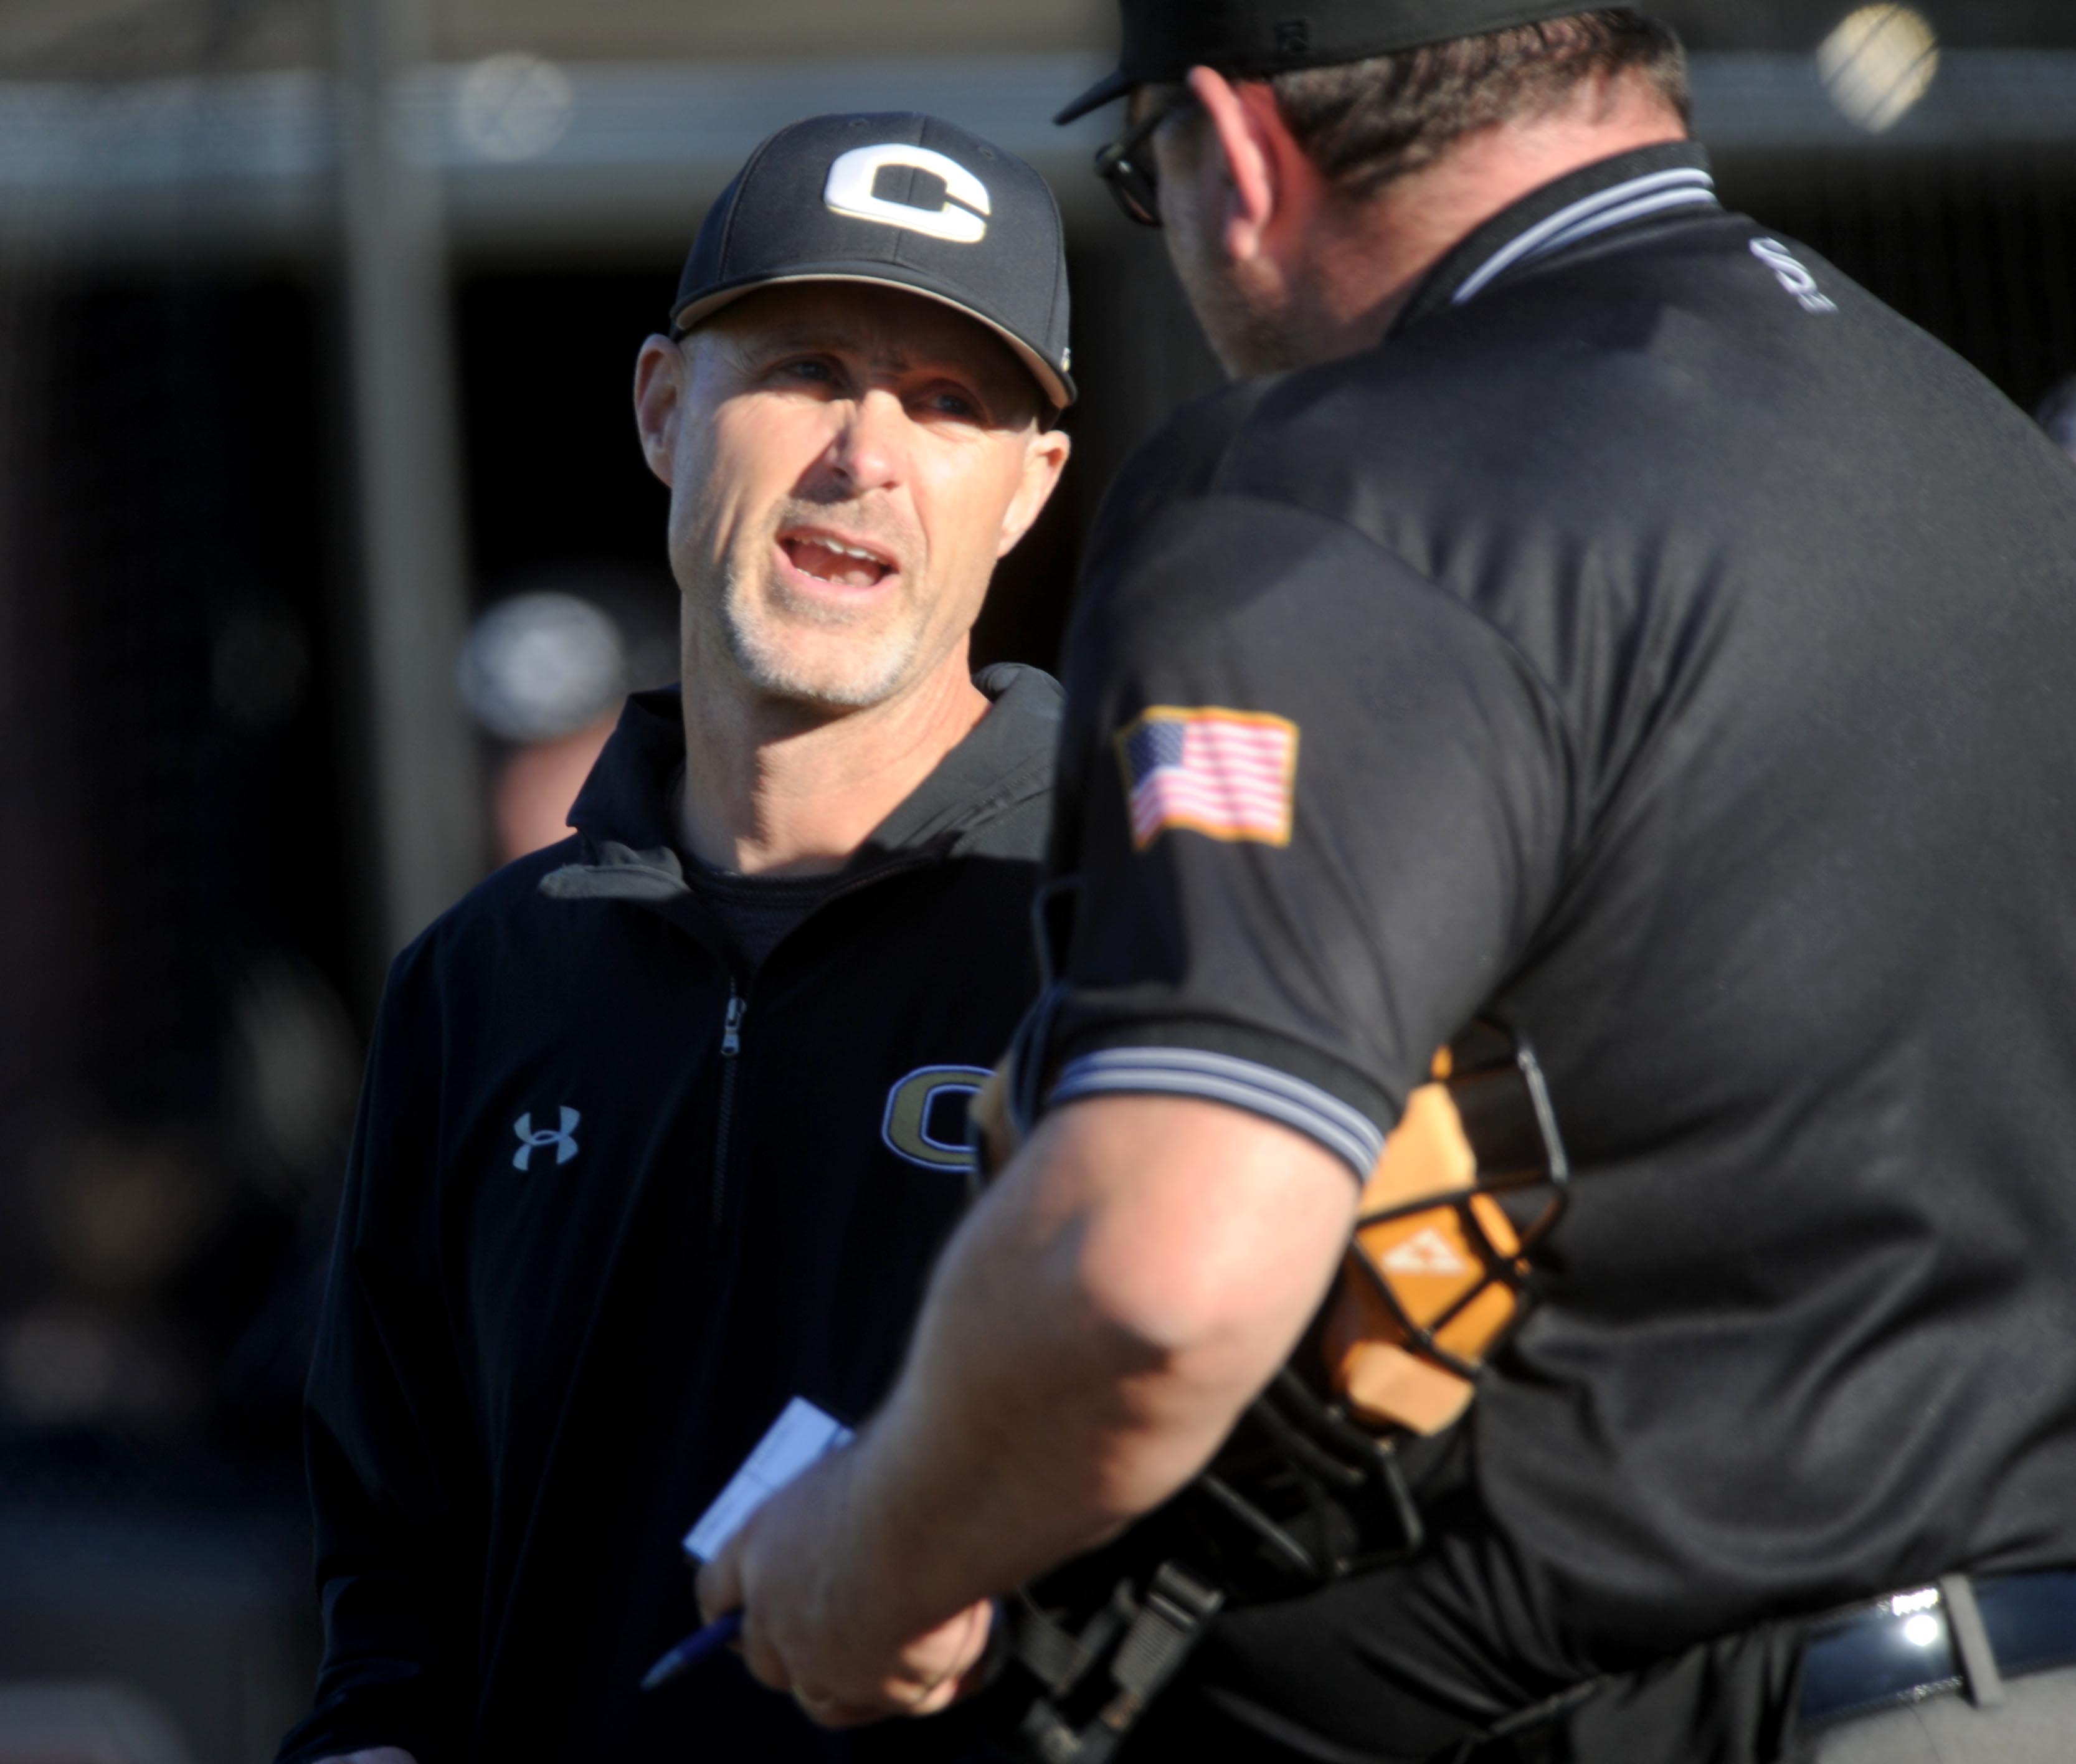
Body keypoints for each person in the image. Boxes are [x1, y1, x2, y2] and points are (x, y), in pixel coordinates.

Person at [697, 8, 2076, 1763]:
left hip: (1672, 1711)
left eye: (1148, 180)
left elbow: (1156, 1276)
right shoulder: (1973, 450)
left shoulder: (1338, 489)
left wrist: (877, 1543)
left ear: (1244, 149)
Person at [274, 111, 1073, 1764]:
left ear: (1029, 488)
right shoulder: (479, 985)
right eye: (805, 371)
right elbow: (398, 1587)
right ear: (662, 409)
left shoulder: (1145, 927)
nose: (865, 454)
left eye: (947, 404)